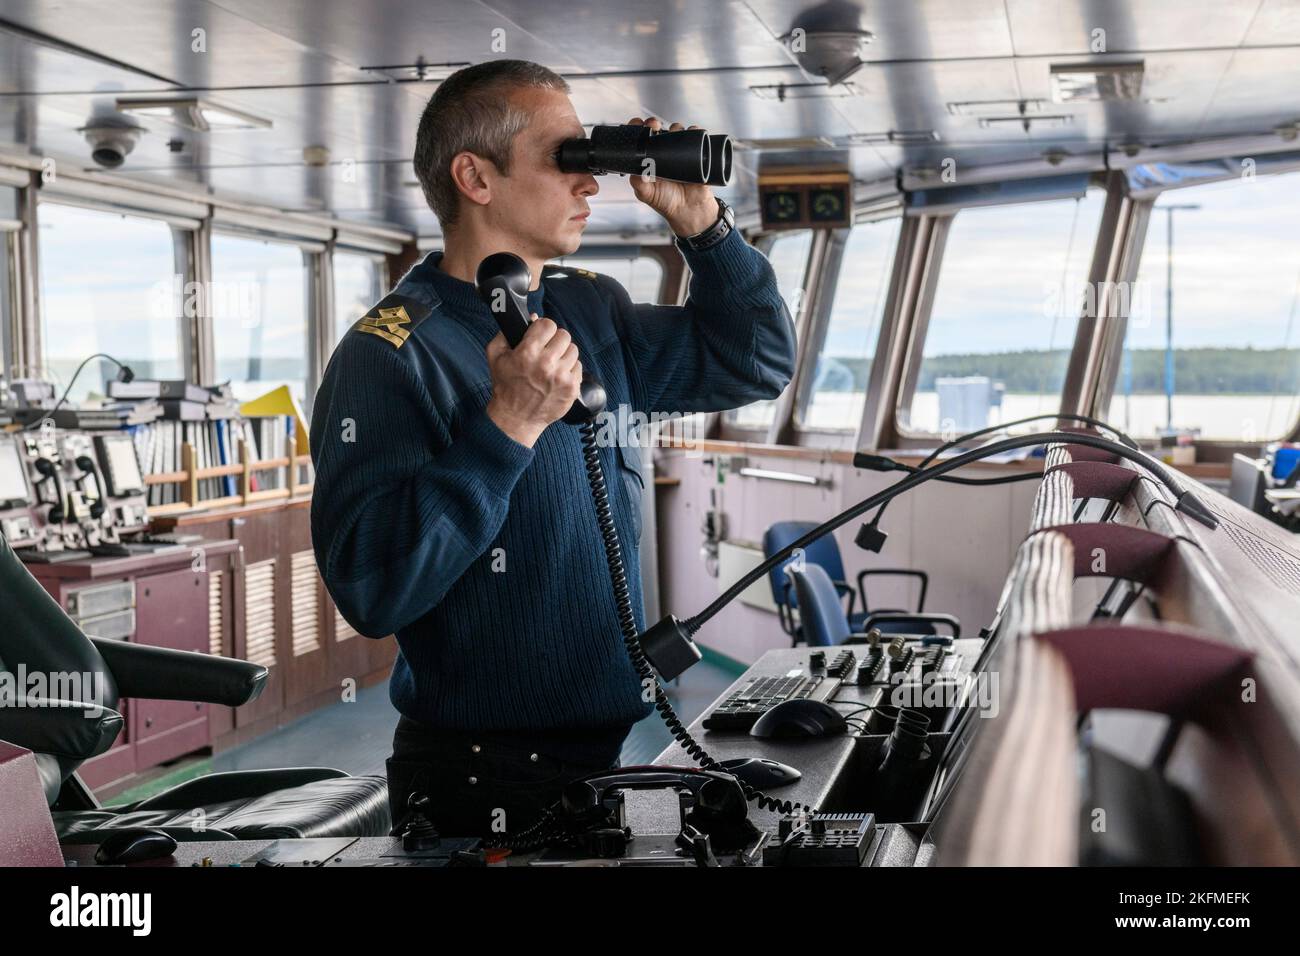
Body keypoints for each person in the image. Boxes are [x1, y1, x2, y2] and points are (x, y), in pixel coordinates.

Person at [310, 59, 796, 840]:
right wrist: (505, 428)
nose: (590, 182)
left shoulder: (588, 306)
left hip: (606, 751)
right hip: (480, 778)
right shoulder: (389, 352)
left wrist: (702, 227)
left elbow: (758, 360)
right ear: (475, 176)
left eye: (590, 159)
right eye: (565, 157)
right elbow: (372, 587)